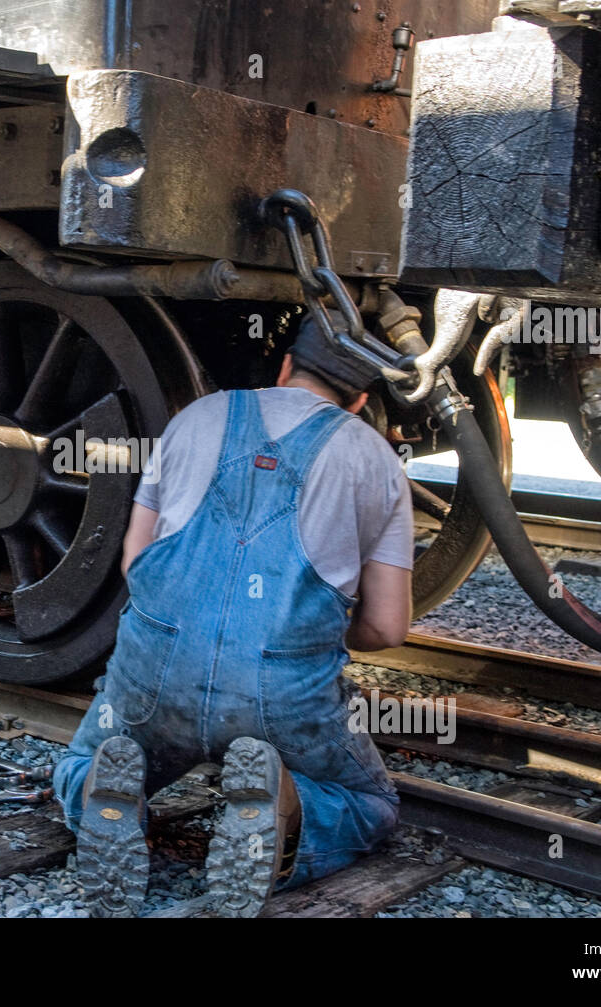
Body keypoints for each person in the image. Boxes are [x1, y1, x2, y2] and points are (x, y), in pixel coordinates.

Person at [52, 314, 413, 917]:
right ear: (360, 400)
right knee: (370, 802)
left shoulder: (196, 417)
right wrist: (303, 621)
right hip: (280, 693)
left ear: (284, 367)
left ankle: (104, 793)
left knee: (82, 760)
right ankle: (286, 803)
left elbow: (135, 562)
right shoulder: (374, 459)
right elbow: (386, 627)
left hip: (155, 678)